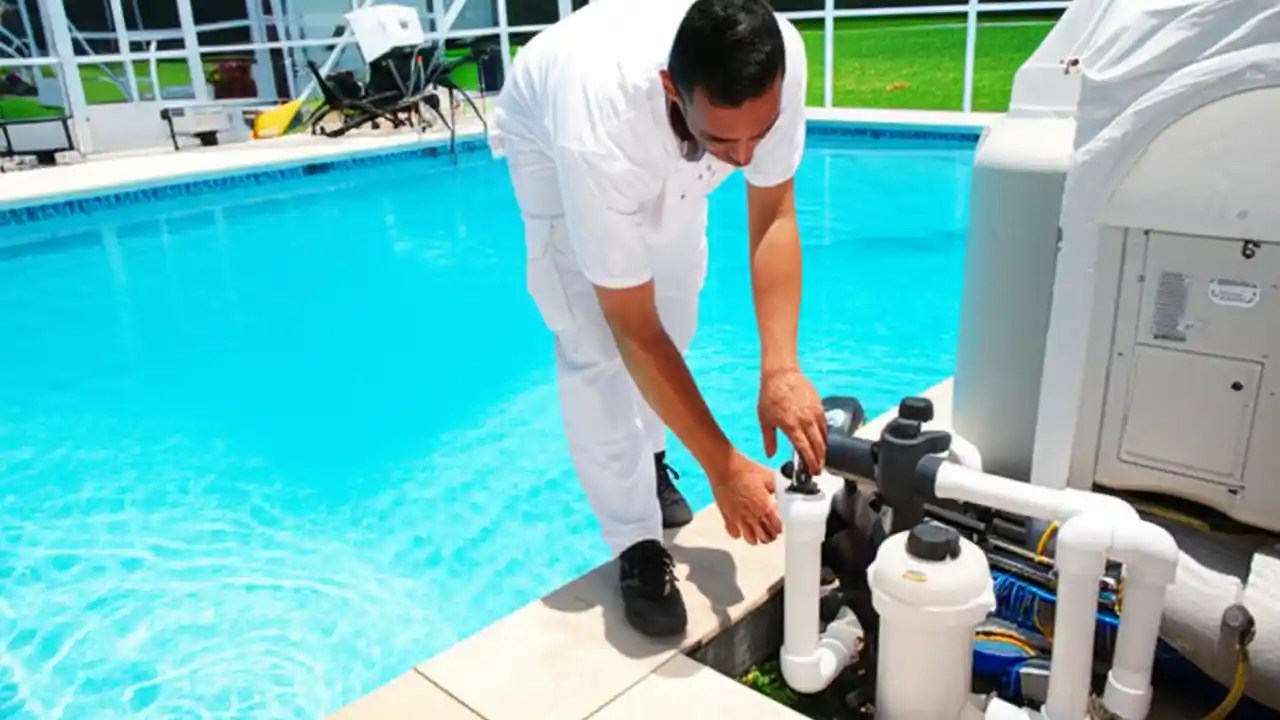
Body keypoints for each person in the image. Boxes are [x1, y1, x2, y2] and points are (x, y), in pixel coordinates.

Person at [491, 0, 829, 638]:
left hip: (660, 135)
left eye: (760, 133)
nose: (744, 156)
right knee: (593, 338)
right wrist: (722, 464)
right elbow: (629, 325)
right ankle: (634, 542)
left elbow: (775, 216)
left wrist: (781, 368)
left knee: (678, 311)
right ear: (673, 89)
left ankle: (648, 457)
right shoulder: (596, 128)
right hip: (550, 127)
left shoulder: (777, 58)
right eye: (725, 141)